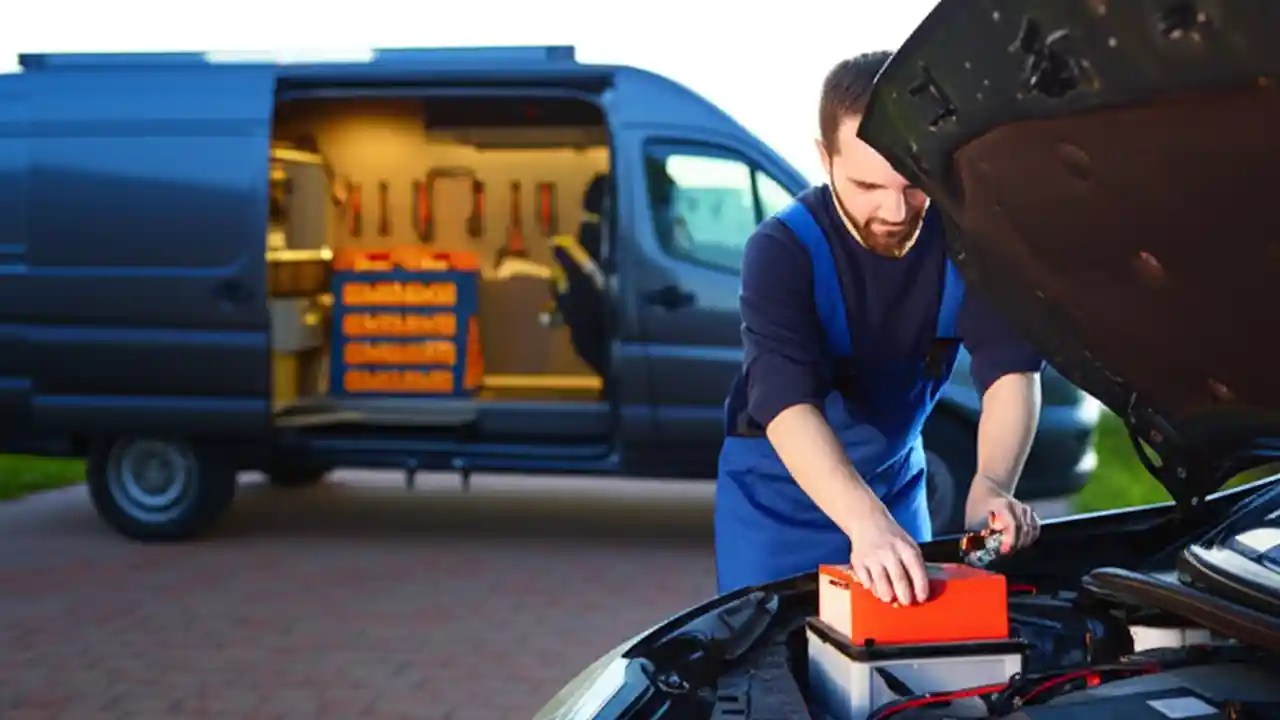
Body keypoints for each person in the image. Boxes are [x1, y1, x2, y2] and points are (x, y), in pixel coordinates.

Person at [715, 51, 1045, 605]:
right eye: (867, 185)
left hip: (895, 489)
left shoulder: (969, 240)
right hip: (775, 506)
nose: (896, 210)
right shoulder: (780, 251)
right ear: (825, 158)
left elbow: (1011, 369)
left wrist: (992, 484)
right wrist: (864, 523)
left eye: (912, 181)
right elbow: (785, 402)